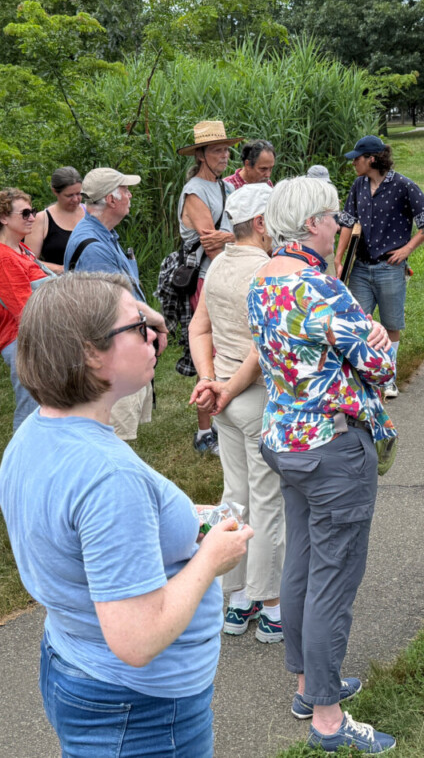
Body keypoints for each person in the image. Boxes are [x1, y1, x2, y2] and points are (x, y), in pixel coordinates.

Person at [0, 273, 252, 758]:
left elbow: (79, 532)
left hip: (77, 664)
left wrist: (172, 518)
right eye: (138, 327)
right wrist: (212, 558)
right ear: (91, 353)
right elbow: (136, 641)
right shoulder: (108, 476)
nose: (154, 335)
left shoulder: (38, 429)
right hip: (140, 710)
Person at [251, 177, 399, 754]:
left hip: (286, 438)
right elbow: (381, 361)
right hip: (332, 446)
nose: (340, 224)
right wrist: (378, 335)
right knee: (333, 579)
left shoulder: (262, 281)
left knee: (304, 561)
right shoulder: (321, 289)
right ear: (312, 223)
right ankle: (329, 716)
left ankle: (306, 683)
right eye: (334, 217)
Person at [188, 183, 286, 644]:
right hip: (254, 397)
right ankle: (270, 606)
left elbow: (198, 326)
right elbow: (262, 346)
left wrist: (209, 380)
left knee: (236, 494)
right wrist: (226, 386)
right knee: (268, 503)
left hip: (224, 399)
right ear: (262, 224)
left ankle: (236, 600)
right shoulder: (268, 270)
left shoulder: (218, 264)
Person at [334, 135, 424, 400]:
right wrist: (339, 257)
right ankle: (362, 373)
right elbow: (347, 222)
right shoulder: (358, 185)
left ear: (371, 159)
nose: (353, 163)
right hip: (360, 266)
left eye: (357, 158)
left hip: (390, 267)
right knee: (358, 321)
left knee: (391, 324)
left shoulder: (403, 185)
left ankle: (388, 376)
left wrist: (407, 250)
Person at [65, 166, 155, 442]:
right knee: (113, 442)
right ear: (112, 200)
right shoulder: (94, 248)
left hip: (116, 357)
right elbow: (111, 314)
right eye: (126, 190)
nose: (130, 195)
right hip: (112, 362)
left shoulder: (102, 236)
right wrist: (153, 326)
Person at [177, 120, 239, 455]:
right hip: (206, 279)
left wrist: (230, 237)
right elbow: (211, 246)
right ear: (201, 154)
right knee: (209, 353)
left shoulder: (226, 188)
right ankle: (205, 433)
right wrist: (234, 238)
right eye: (217, 150)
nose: (224, 156)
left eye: (227, 149)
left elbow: (230, 238)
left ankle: (223, 423)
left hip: (225, 275)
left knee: (228, 346)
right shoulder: (194, 192)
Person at [0, 187, 54, 432]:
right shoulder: (4, 257)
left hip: (38, 336)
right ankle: (22, 466)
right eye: (24, 213)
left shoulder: (20, 249)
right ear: (3, 218)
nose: (32, 217)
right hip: (25, 340)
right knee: (31, 411)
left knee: (47, 407)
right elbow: (26, 312)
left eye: (32, 212)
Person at [26, 166, 85, 267]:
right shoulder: (42, 219)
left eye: (79, 194)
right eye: (69, 195)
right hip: (59, 280)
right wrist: (63, 269)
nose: (75, 199)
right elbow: (29, 260)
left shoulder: (92, 213)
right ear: (55, 192)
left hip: (96, 279)